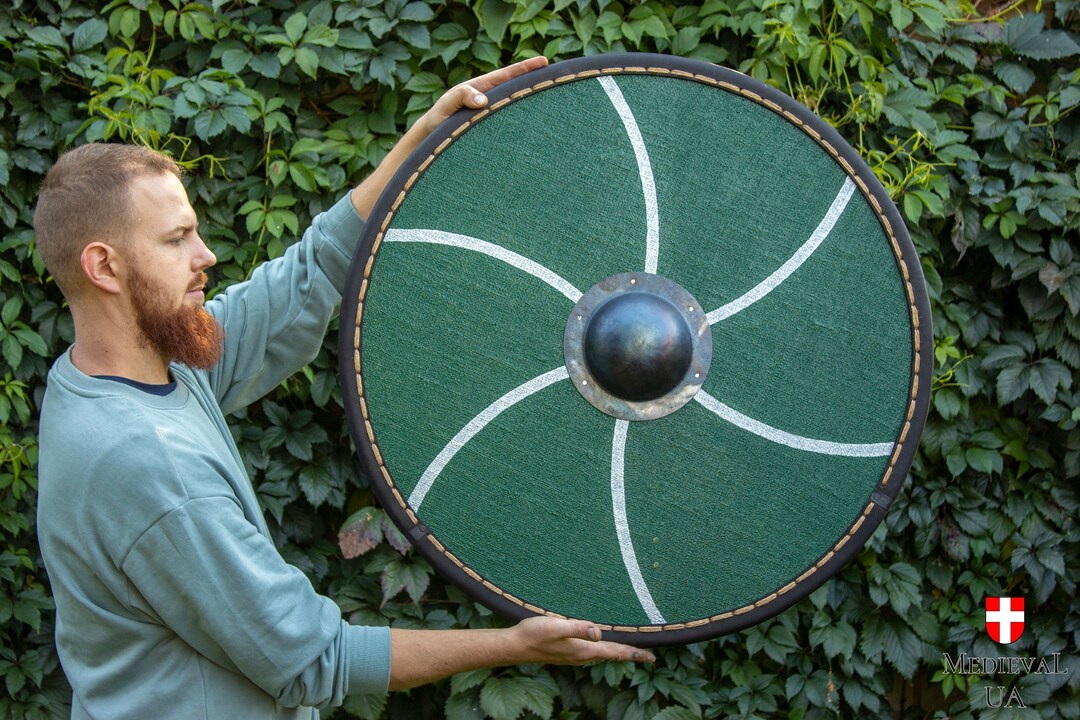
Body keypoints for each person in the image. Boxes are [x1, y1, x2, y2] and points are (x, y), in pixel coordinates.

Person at [34, 57, 654, 719]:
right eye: (178, 238)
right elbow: (314, 661)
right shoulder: (146, 464)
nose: (205, 254)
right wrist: (514, 643)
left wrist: (418, 143)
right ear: (105, 265)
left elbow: (304, 276)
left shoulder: (121, 368)